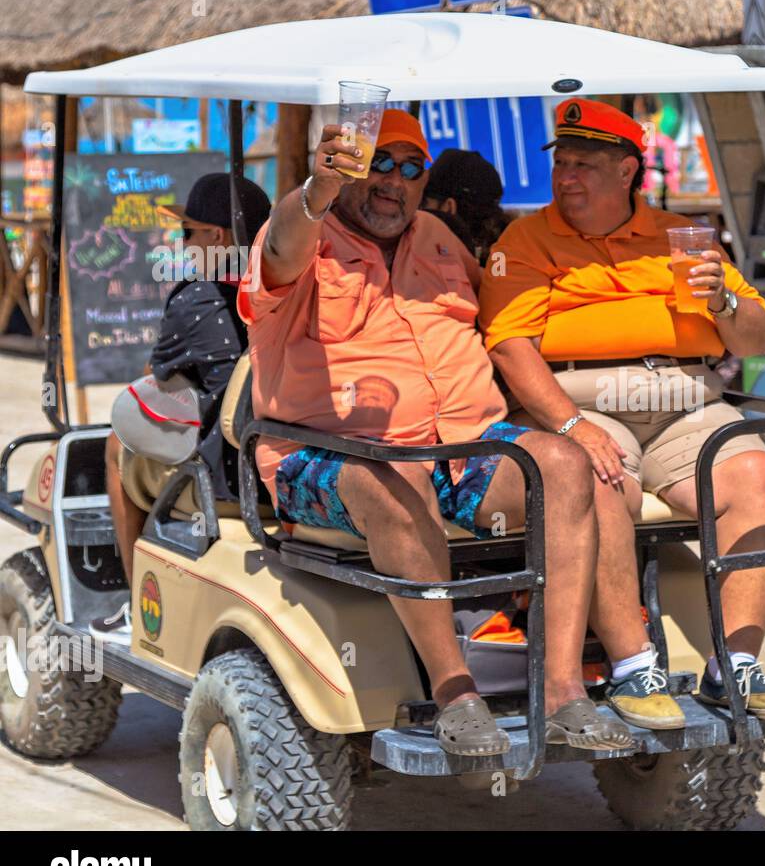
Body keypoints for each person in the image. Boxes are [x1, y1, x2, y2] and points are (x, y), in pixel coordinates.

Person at [239, 109, 634, 756]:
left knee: (565, 465)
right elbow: (282, 247)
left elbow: (513, 322)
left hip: (457, 449)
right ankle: (456, 691)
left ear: (426, 178)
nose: (393, 181)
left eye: (410, 167)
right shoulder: (306, 241)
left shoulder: (443, 241)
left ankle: (565, 690)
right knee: (393, 480)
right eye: (377, 165)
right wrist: (316, 190)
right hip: (328, 458)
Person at [481, 98, 765, 722]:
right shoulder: (525, 240)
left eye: (583, 164)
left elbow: (755, 338)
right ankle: (635, 669)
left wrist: (722, 304)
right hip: (582, 400)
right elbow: (509, 346)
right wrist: (570, 424)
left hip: (685, 396)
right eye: (563, 163)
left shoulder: (681, 236)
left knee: (761, 475)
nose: (566, 175)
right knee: (598, 481)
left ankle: (735, 667)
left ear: (628, 171)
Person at [95, 173, 272, 642]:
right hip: (287, 465)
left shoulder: (195, 298)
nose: (182, 242)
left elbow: (162, 379)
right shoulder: (291, 289)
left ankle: (135, 601)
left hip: (233, 478)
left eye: (187, 232)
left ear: (217, 237)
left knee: (117, 447)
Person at [420, 148, 512, 265]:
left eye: (424, 204)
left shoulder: (437, 272)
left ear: (448, 208)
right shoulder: (514, 258)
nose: (419, 214)